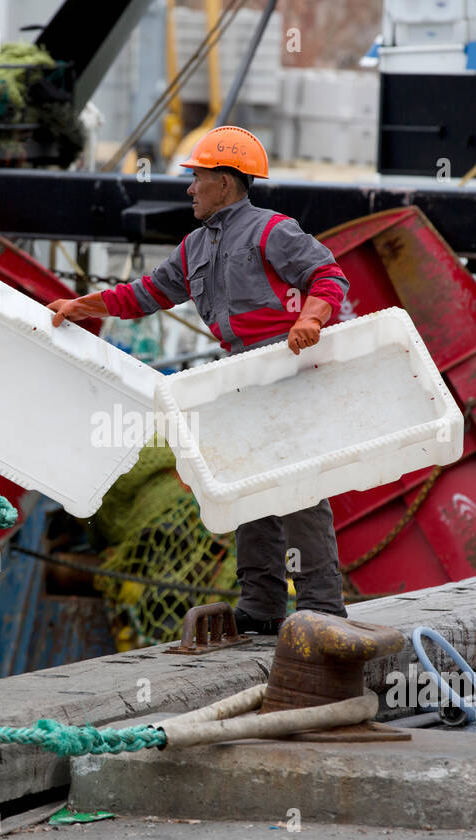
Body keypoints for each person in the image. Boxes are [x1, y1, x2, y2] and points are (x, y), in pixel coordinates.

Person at [47, 126, 351, 634]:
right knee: (249, 491)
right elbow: (147, 293)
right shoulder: (194, 247)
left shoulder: (274, 230)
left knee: (299, 489)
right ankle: (262, 605)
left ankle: (321, 607)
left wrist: (311, 319)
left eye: (198, 177)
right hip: (238, 380)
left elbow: (328, 276)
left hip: (285, 373)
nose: (189, 187)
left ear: (226, 183)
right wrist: (81, 306)